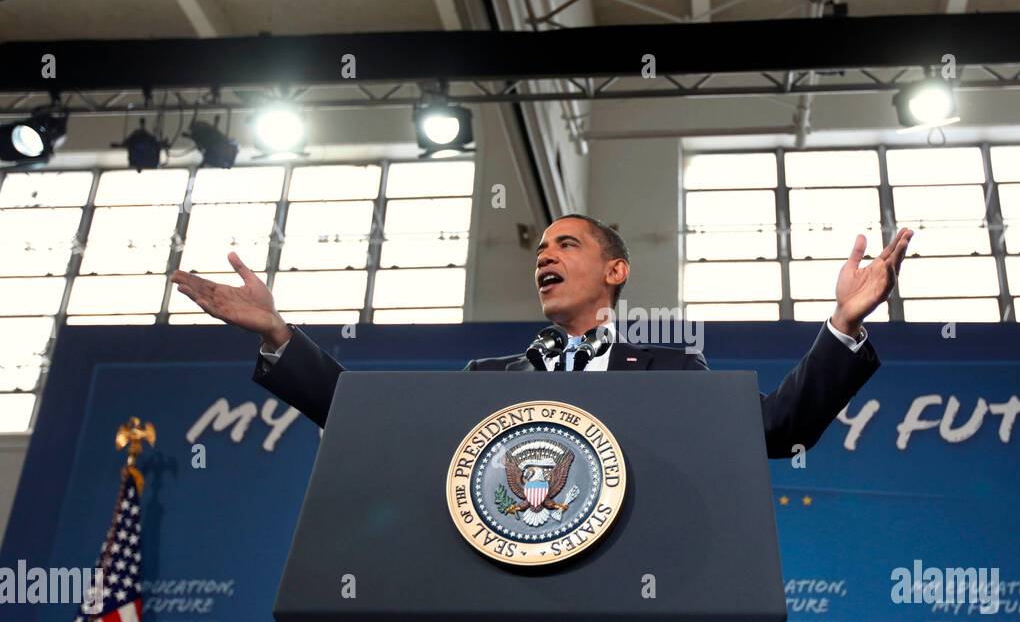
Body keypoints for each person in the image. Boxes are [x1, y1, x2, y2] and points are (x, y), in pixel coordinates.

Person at [170, 214, 912, 458]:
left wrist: (843, 324)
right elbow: (373, 424)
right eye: (540, 250)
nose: (545, 256)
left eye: (568, 246)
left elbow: (778, 431)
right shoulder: (489, 377)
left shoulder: (671, 368)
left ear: (616, 269)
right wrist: (277, 333)